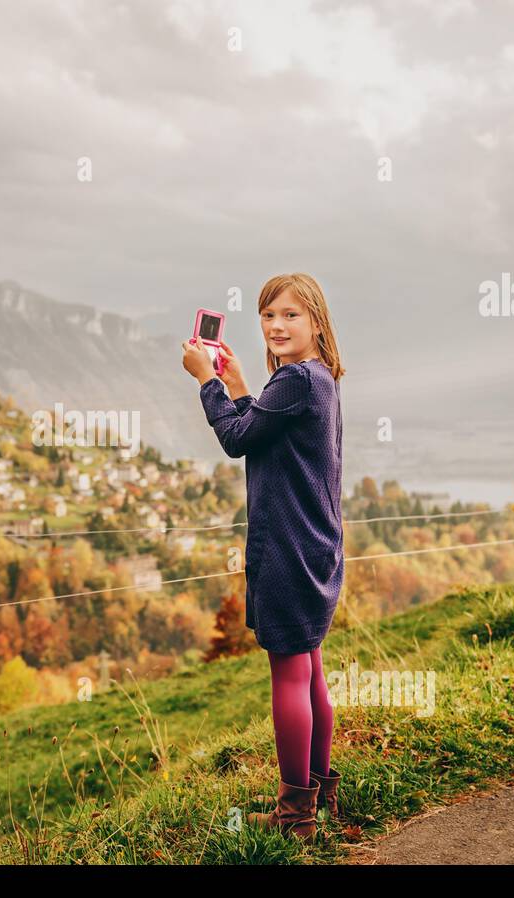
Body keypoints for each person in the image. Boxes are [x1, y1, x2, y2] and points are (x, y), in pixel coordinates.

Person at [181, 272, 345, 842]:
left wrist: (208, 382)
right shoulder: (317, 379)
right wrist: (243, 384)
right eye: (268, 315)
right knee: (311, 673)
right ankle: (320, 792)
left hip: (286, 552)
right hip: (318, 549)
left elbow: (234, 438)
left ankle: (295, 818)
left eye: (290, 315)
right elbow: (261, 429)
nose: (276, 325)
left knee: (288, 677)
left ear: (316, 322)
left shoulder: (296, 379)